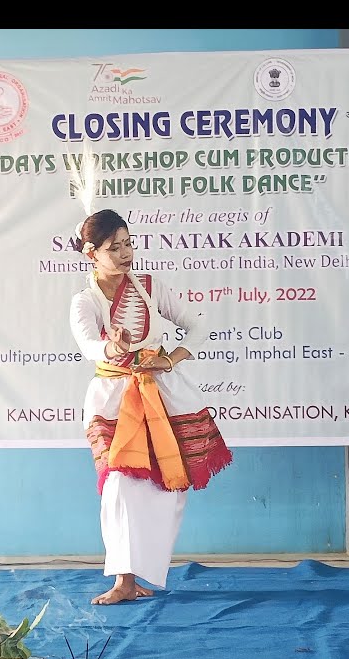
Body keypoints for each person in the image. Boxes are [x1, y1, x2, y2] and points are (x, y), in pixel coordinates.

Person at [68, 208, 234, 605]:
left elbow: (200, 323)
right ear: (92, 253)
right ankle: (123, 579)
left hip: (162, 393)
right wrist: (113, 345)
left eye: (129, 244)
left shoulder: (151, 286)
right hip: (113, 398)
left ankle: (143, 573)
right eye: (115, 247)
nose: (126, 254)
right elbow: (89, 344)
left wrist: (171, 358)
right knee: (118, 484)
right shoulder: (84, 301)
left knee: (166, 490)